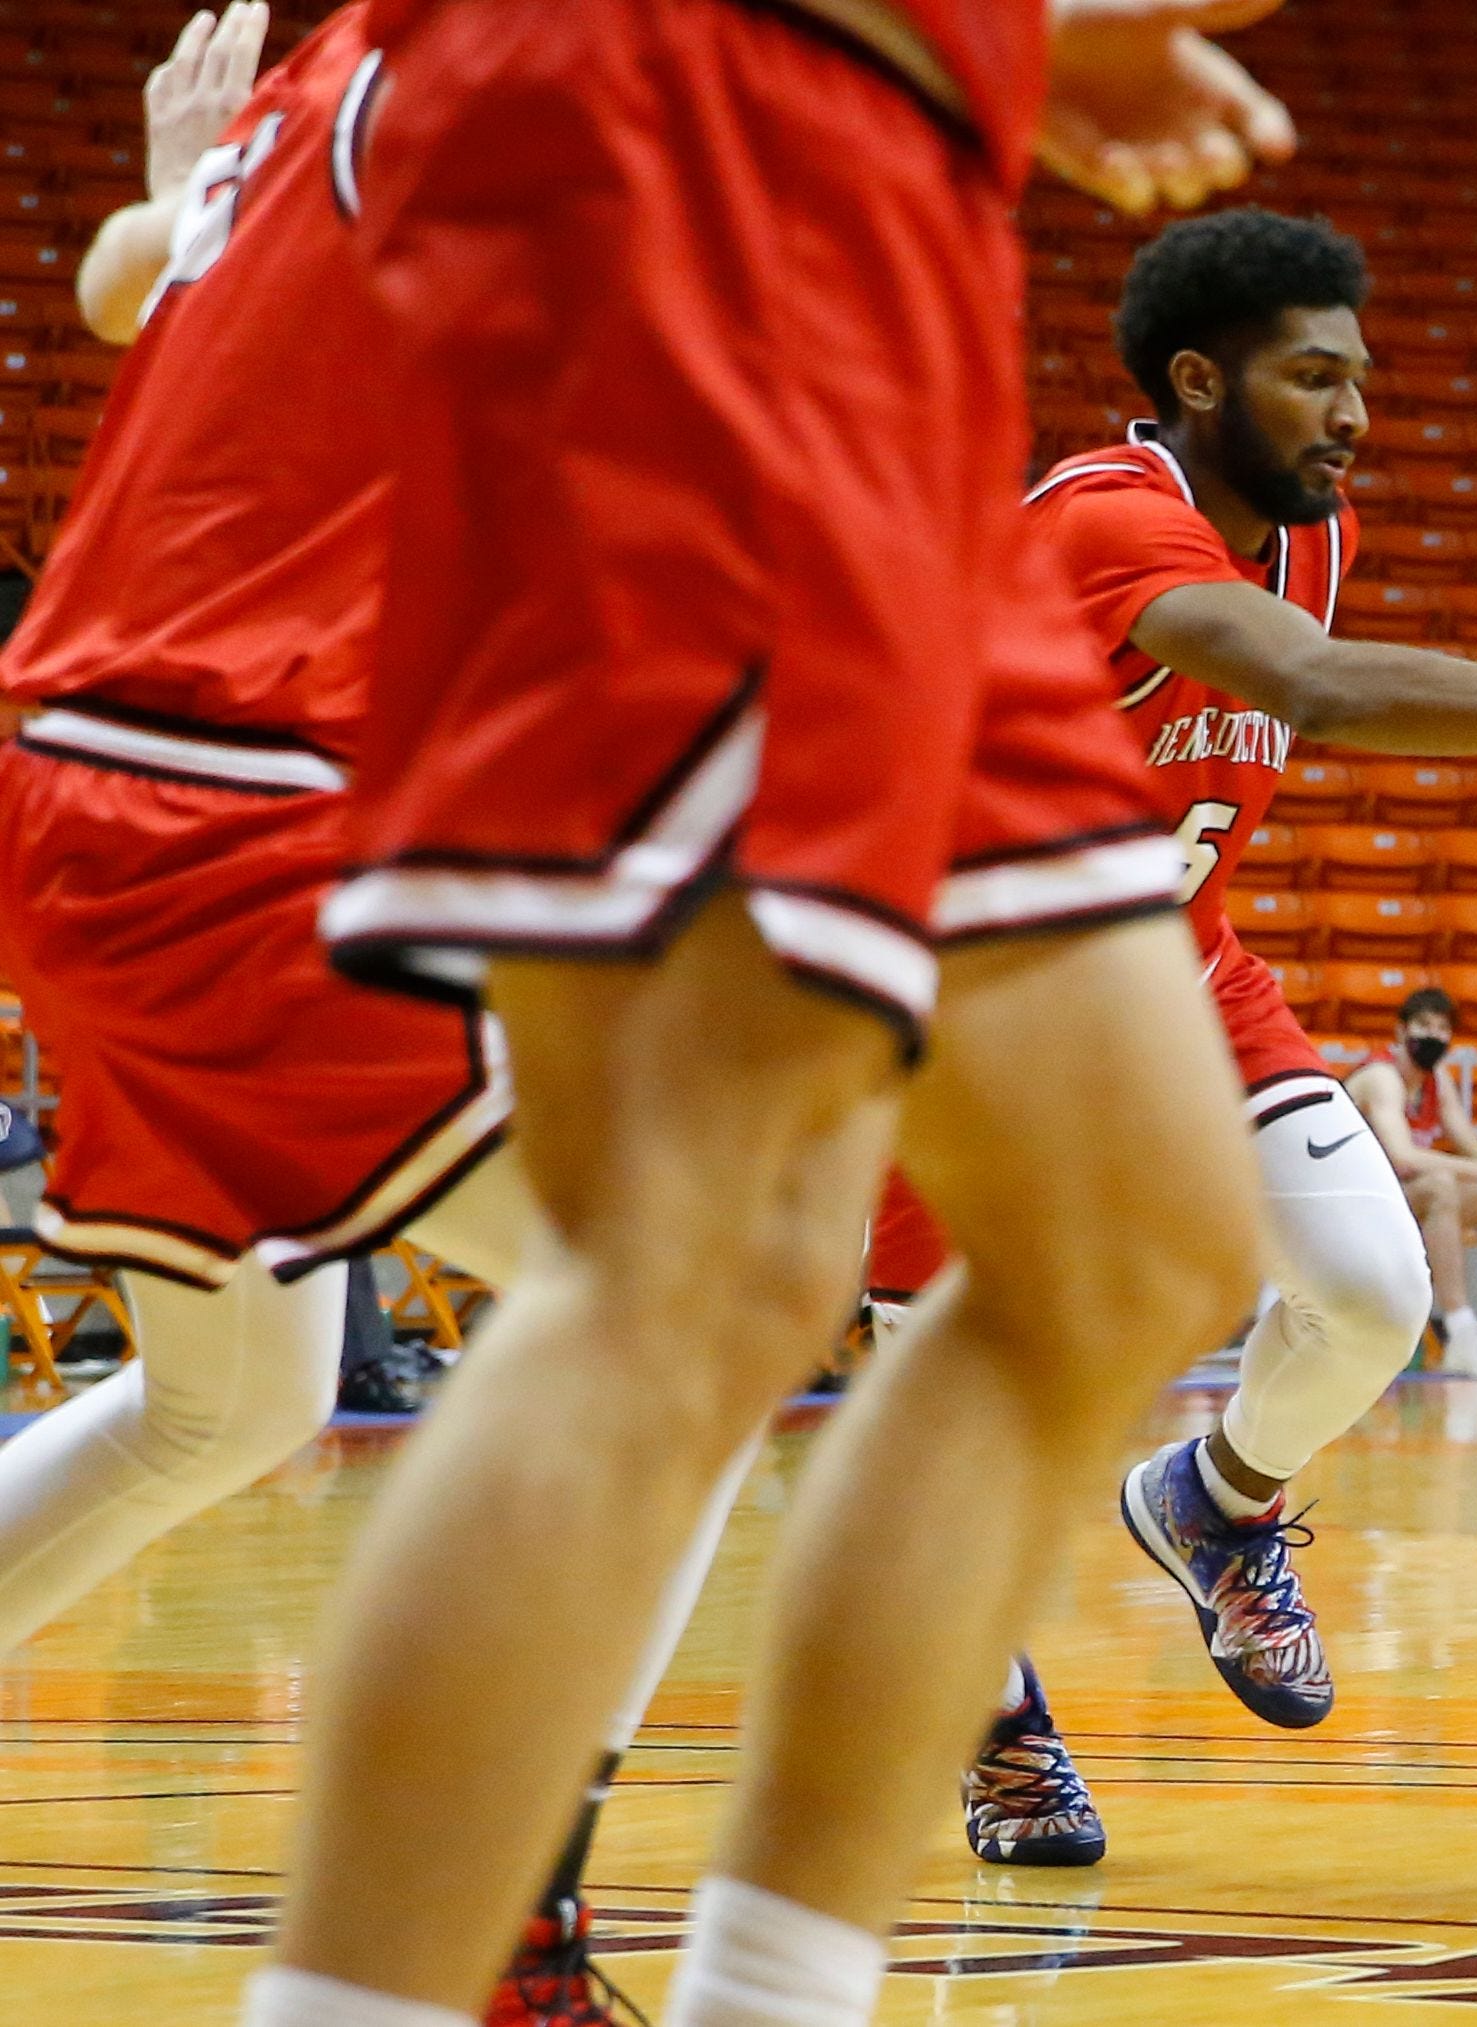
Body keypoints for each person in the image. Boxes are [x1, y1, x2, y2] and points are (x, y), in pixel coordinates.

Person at [245, 8, 1303, 2027]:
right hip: (702, 227)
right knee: (691, 1268)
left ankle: (767, 1990)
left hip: (863, 319)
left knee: (1138, 1231)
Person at [846, 209, 1477, 1872]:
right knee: (947, 1419)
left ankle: (1213, 1501)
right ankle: (988, 1717)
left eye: (1362, 377)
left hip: (1171, 974)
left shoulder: (1314, 531)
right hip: (950, 1006)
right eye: (1314, 376)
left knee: (1373, 1295)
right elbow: (1326, 690)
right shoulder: (1098, 519)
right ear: (1199, 380)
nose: (1354, 411)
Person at [0, 11, 752, 2021]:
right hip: (227, 804)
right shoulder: (513, 79)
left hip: (108, 790)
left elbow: (111, 285)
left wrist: (177, 202)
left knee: (225, 1403)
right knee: (693, 1292)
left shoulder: (339, 70)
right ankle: (499, 1908)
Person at [1346, 987, 1477, 1378]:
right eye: (1423, 1026)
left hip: (1401, 1203)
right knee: (1440, 1185)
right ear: (1400, 1032)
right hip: (1353, 1207)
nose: (1433, 1036)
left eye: (1442, 1029)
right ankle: (1461, 1334)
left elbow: (1470, 1145)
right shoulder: (1382, 1077)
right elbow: (1403, 1156)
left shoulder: (1436, 1079)